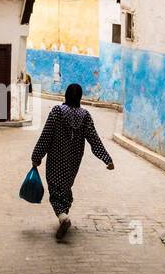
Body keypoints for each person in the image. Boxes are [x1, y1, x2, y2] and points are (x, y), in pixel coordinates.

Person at [30, 83, 114, 240]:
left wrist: (36, 157)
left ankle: (63, 217)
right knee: (66, 187)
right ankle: (64, 214)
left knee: (55, 188)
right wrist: (106, 159)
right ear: (80, 98)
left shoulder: (57, 112)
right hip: (73, 160)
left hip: (55, 158)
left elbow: (46, 136)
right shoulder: (85, 116)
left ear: (66, 96)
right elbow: (94, 139)